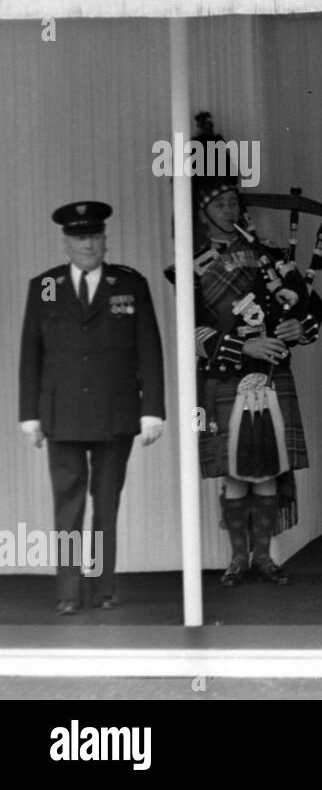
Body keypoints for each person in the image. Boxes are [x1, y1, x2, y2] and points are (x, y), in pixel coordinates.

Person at [19, 202, 165, 614]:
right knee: (67, 505)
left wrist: (152, 410)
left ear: (106, 240)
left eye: (95, 236)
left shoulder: (130, 284)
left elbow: (149, 350)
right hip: (61, 414)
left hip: (114, 414)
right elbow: (31, 352)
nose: (88, 244)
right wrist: (28, 415)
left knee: (106, 503)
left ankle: (103, 588)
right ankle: (68, 591)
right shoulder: (45, 286)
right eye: (80, 237)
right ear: (66, 243)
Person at [181, 177, 322, 587]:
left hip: (273, 374)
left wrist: (302, 326)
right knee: (233, 471)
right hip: (228, 373)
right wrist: (243, 348)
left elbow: (311, 306)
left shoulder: (272, 256)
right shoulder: (190, 265)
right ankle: (237, 560)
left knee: (267, 468)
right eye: (219, 204)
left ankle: (264, 557)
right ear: (204, 212)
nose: (229, 211)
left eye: (232, 203)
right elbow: (193, 327)